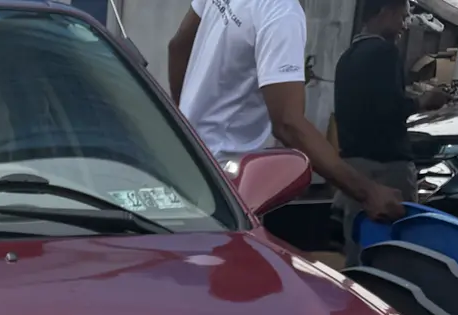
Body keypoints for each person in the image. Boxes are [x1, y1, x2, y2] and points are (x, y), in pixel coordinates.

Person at [168, 0, 406, 226]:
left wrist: (185, 122)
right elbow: (288, 123)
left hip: (179, 154)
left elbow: (178, 46)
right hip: (222, 187)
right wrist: (367, 191)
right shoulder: (281, 14)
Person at [333, 0, 447, 262]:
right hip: (387, 170)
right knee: (397, 251)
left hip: (352, 170)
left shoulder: (346, 58)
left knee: (357, 250)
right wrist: (423, 101)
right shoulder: (385, 52)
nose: (404, 26)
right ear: (385, 12)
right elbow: (388, 108)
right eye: (403, 17)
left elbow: (367, 106)